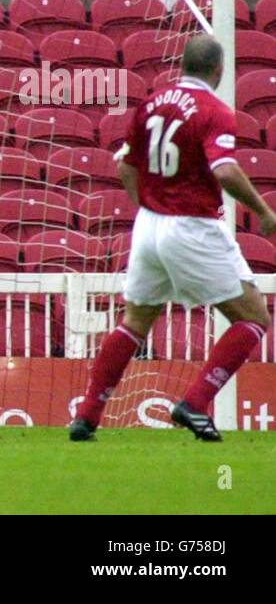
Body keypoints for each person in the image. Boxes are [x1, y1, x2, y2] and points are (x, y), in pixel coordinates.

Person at [70, 34, 276, 443]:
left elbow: (126, 166)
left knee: (136, 319)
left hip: (148, 225)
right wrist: (265, 212)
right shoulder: (214, 110)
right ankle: (196, 403)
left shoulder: (150, 103)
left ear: (183, 65)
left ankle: (87, 415)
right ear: (218, 70)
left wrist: (148, 203)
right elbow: (225, 171)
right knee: (253, 318)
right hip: (192, 225)